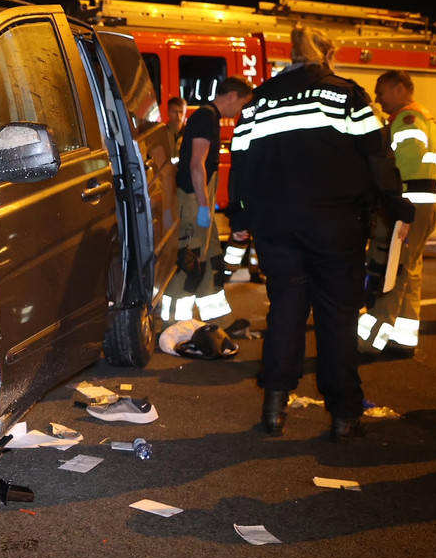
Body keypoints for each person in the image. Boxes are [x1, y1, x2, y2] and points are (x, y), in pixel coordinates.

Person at [227, 26, 413, 442]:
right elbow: (377, 154)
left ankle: (274, 407)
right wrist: (395, 202)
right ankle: (345, 416)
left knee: (286, 313)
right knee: (337, 319)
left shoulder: (261, 99)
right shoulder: (345, 95)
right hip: (336, 225)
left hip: (276, 226)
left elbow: (240, 160)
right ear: (328, 55)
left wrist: (238, 215)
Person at [358, 70, 436, 357]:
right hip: (424, 200)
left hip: (406, 200)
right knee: (408, 269)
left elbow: (399, 165)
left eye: (381, 92)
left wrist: (394, 203)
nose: (378, 100)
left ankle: (369, 342)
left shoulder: (406, 120)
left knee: (389, 269)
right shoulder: (423, 116)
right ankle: (403, 338)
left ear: (400, 88)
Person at [161, 77, 253, 324]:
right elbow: (196, 165)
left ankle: (215, 320)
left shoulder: (207, 117)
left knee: (208, 257)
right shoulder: (206, 118)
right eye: (243, 103)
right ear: (232, 96)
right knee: (188, 260)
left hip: (199, 199)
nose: (241, 111)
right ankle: (174, 323)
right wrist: (203, 205)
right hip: (193, 201)